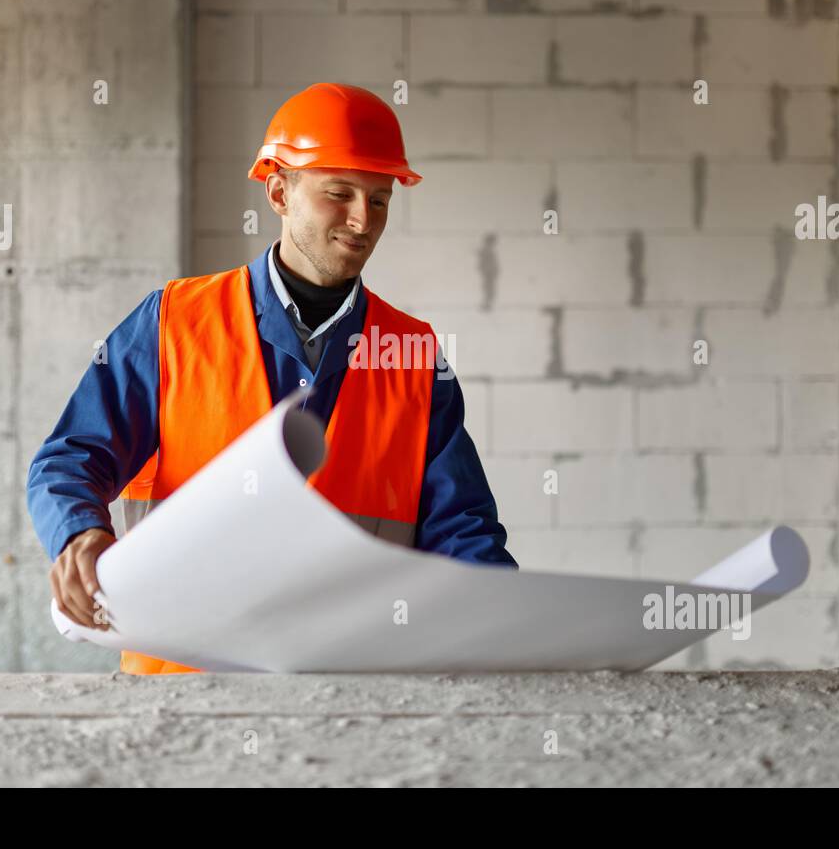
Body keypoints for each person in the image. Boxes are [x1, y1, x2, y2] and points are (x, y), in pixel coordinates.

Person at [27, 82, 516, 675]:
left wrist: (505, 623)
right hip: (181, 698)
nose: (363, 221)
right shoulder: (174, 323)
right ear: (279, 191)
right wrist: (79, 535)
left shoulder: (412, 352)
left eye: (380, 199)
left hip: (356, 696)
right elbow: (71, 457)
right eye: (339, 194)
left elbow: (461, 526)